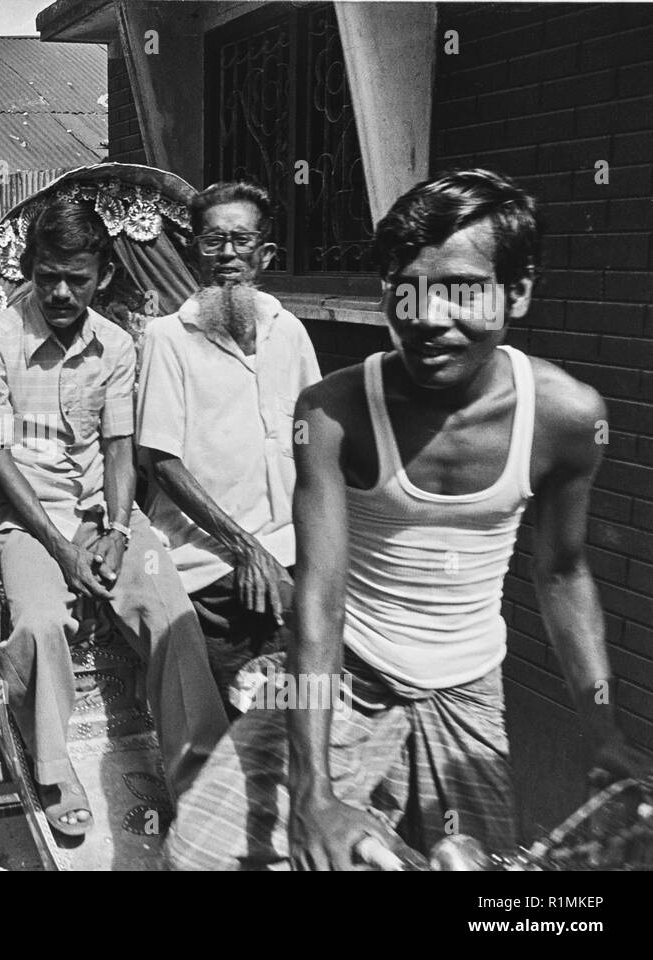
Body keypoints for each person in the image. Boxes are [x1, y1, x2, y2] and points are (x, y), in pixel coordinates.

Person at [167, 168, 653, 871]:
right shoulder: (335, 413)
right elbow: (320, 597)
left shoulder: (566, 416)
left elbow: (563, 571)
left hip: (466, 692)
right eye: (407, 290)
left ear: (517, 291)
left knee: (466, 868)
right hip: (343, 677)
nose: (428, 317)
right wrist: (312, 793)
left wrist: (601, 727)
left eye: (461, 289)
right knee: (199, 854)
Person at [0, 202, 228, 837]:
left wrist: (114, 531)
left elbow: (118, 448)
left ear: (101, 275)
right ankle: (55, 768)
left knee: (171, 611)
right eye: (48, 275)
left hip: (104, 514)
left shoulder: (115, 346)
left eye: (76, 279)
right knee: (38, 622)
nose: (60, 292)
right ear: (30, 267)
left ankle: (203, 776)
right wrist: (61, 550)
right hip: (27, 523)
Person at [137, 181, 321, 714]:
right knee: (241, 725)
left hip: (290, 556)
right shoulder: (168, 338)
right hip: (212, 563)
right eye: (213, 240)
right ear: (194, 249)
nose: (227, 255)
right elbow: (162, 462)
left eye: (241, 240)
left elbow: (314, 446)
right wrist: (246, 549)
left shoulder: (290, 333)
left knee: (304, 719)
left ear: (265, 253)